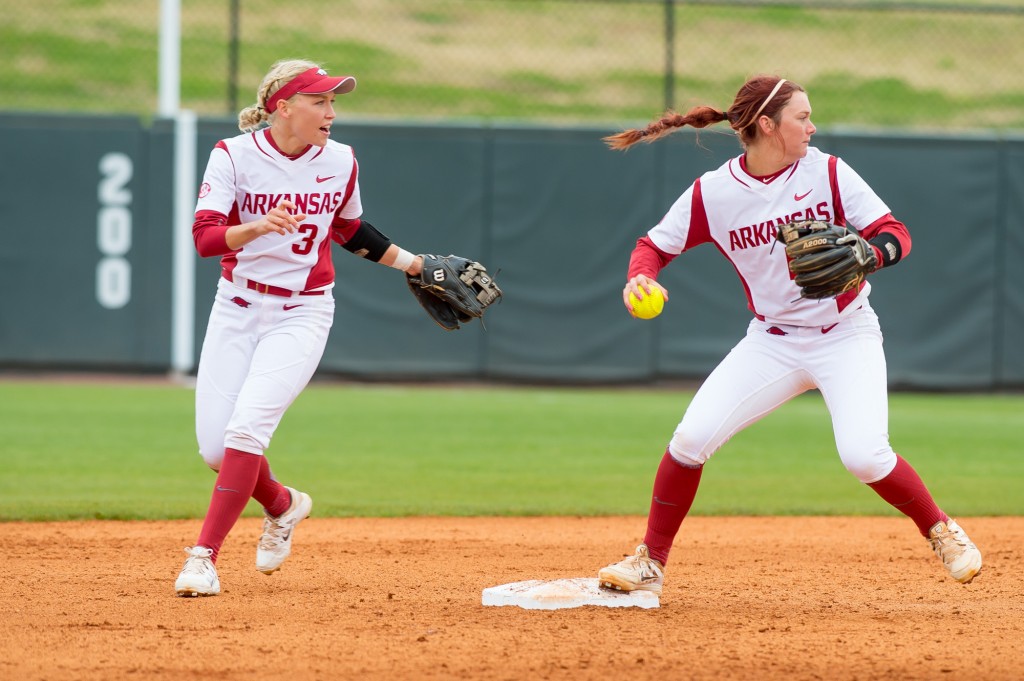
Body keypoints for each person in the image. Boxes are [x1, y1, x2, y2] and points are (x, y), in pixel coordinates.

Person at [596, 75, 982, 595]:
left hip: (846, 333)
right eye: (802, 116)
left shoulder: (827, 172)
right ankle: (650, 562)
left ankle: (942, 530)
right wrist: (640, 277)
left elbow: (896, 234)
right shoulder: (715, 193)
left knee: (865, 456)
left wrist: (871, 254)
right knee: (689, 440)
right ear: (766, 125)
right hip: (771, 341)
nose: (812, 125)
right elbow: (654, 245)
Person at [174, 59, 429, 597]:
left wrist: (414, 264)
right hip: (237, 307)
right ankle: (284, 505)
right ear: (283, 107)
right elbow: (205, 239)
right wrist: (256, 226)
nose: (332, 112)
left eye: (334, 102)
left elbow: (349, 228)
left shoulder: (340, 161)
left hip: (303, 311)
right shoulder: (234, 155)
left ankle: (203, 557)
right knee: (216, 451)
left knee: (246, 433)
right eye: (320, 101)